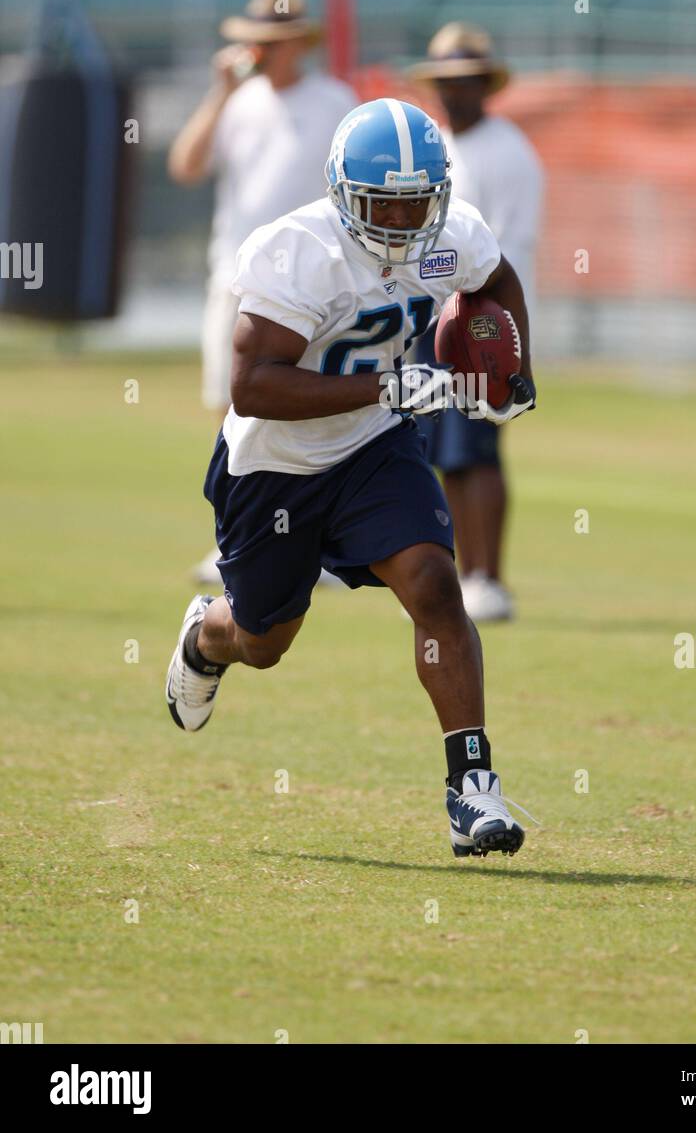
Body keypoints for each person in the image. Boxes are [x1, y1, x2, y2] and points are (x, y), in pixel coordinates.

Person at [164, 98, 538, 857]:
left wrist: (515, 370)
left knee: (435, 583)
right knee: (263, 641)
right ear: (341, 193)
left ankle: (472, 790)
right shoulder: (297, 250)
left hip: (374, 447)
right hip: (276, 470)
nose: (402, 223)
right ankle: (206, 637)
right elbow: (254, 386)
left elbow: (496, 281)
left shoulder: (454, 230)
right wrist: (391, 388)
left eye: (416, 203)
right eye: (383, 205)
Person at [167, 0, 356, 583]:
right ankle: (234, 542)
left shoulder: (334, 102)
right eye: (256, 40)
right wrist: (221, 92)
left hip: (315, 281)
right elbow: (186, 165)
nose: (261, 51)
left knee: (315, 407)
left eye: (273, 41)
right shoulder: (238, 101)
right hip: (238, 274)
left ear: (299, 43)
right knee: (234, 411)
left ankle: (318, 546)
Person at [410, 23, 543, 623]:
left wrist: (482, 325)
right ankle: (465, 573)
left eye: (464, 82)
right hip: (431, 317)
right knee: (442, 451)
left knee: (477, 448)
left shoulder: (508, 151)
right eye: (444, 81)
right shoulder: (436, 145)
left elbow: (502, 255)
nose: (452, 93)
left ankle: (489, 577)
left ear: (485, 85)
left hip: (480, 321)